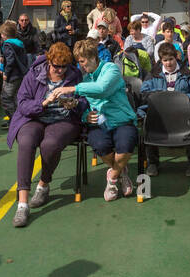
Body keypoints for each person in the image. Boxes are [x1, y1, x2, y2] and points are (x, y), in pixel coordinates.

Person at [9, 43, 88, 227]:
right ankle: (22, 204)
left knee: (50, 144)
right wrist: (44, 103)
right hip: (35, 117)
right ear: (49, 62)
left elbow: (85, 100)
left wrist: (75, 103)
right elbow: (22, 104)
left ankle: (43, 184)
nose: (60, 71)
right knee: (26, 142)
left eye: (64, 67)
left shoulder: (74, 75)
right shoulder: (34, 74)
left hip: (63, 120)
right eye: (56, 66)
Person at [50, 40, 138, 201]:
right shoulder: (85, 79)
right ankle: (121, 172)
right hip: (98, 123)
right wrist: (84, 115)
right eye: (79, 62)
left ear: (92, 57)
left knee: (126, 145)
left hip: (122, 120)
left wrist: (72, 88)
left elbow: (102, 89)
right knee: (100, 145)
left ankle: (112, 178)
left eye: (82, 61)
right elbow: (83, 104)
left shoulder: (110, 69)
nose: (81, 66)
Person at [138, 45, 190, 177]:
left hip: (183, 113)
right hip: (159, 114)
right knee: (148, 121)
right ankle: (153, 162)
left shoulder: (187, 75)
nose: (168, 63)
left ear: (176, 58)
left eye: (171, 59)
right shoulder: (153, 75)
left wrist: (182, 99)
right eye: (165, 60)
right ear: (161, 61)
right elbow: (144, 93)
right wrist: (163, 97)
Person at [0, 20, 31, 127]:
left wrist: (6, 72)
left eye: (2, 34)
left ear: (5, 35)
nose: (1, 35)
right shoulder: (19, 43)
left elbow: (11, 60)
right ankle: (20, 118)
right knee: (17, 97)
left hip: (12, 76)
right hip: (20, 74)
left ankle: (13, 120)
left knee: (5, 98)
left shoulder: (7, 45)